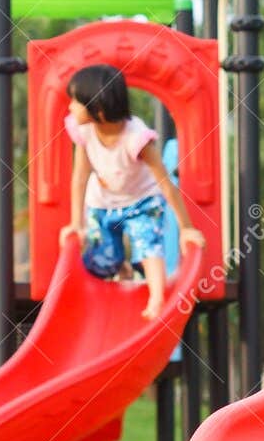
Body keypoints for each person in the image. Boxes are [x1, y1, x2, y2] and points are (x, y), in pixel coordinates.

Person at [58, 64, 205, 319]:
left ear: (99, 110)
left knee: (147, 243)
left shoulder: (137, 138)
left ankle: (157, 299)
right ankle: (122, 266)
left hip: (142, 201)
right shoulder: (84, 130)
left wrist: (186, 228)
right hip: (102, 202)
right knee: (103, 263)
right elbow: (80, 176)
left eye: (76, 101)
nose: (70, 106)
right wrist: (76, 223)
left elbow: (165, 183)